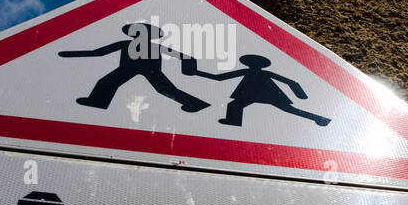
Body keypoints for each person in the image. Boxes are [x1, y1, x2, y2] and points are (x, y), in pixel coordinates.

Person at [58, 23, 209, 112]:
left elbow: (186, 56)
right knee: (106, 82)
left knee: (167, 90)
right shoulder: (127, 44)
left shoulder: (154, 46)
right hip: (128, 68)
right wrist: (69, 54)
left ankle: (196, 104)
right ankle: (97, 102)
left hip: (150, 70)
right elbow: (98, 52)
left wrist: (189, 68)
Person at [183, 53, 330, 128]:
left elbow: (290, 81)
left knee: (287, 110)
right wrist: (198, 73)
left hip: (265, 93)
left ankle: (318, 118)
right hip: (257, 93)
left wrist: (299, 93)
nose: (251, 65)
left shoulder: (261, 73)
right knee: (235, 106)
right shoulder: (252, 72)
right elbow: (219, 78)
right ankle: (232, 122)